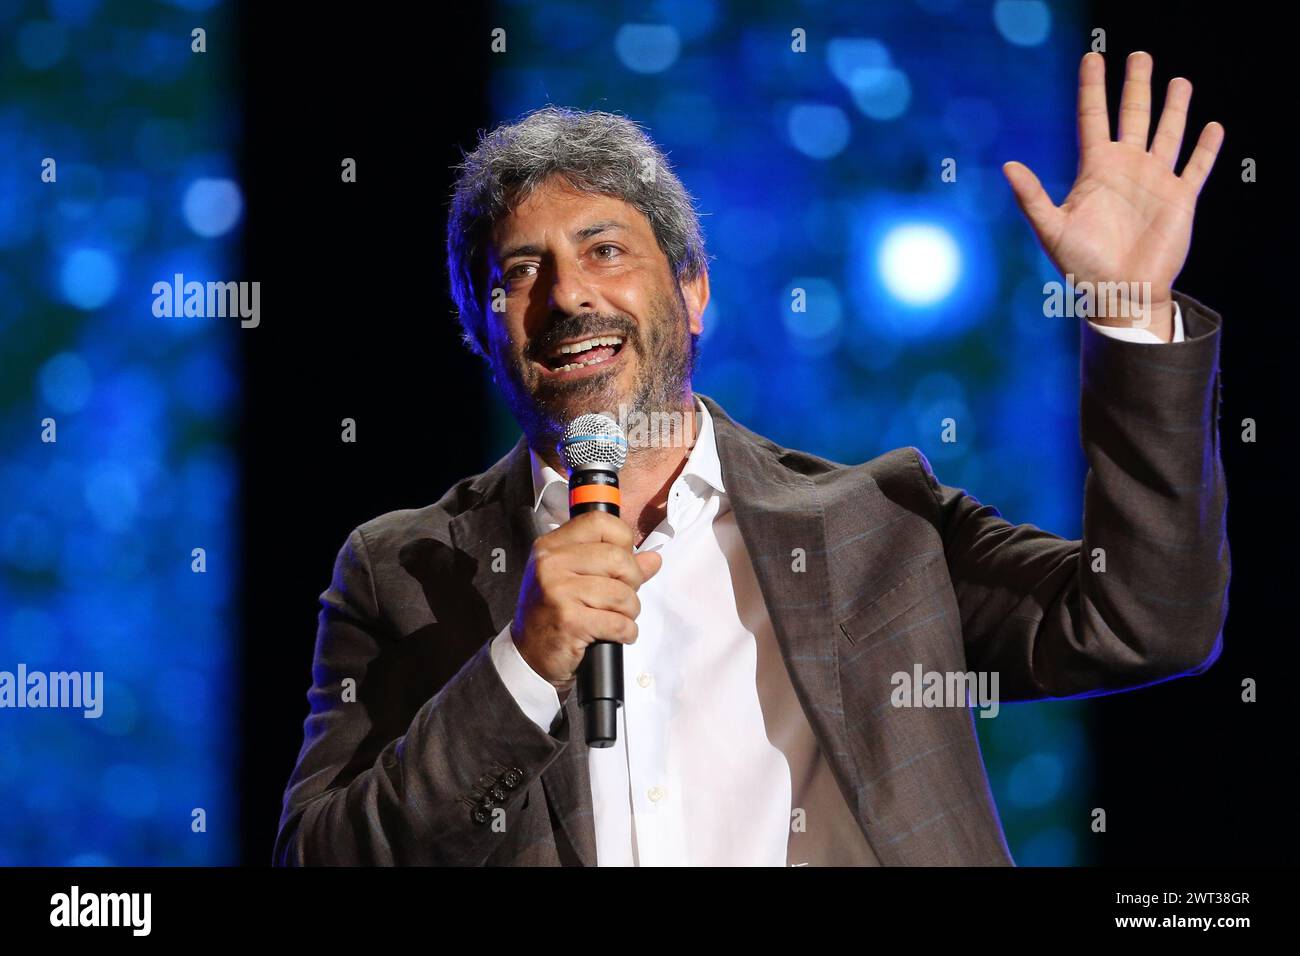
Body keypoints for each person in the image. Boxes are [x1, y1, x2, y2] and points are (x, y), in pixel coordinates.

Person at [274, 51, 1228, 865]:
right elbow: (323, 854)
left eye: (605, 250)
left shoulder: (878, 524)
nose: (566, 296)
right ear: (482, 335)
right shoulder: (400, 570)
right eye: (518, 273)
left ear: (692, 293)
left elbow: (1147, 622)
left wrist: (1129, 314)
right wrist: (523, 666)